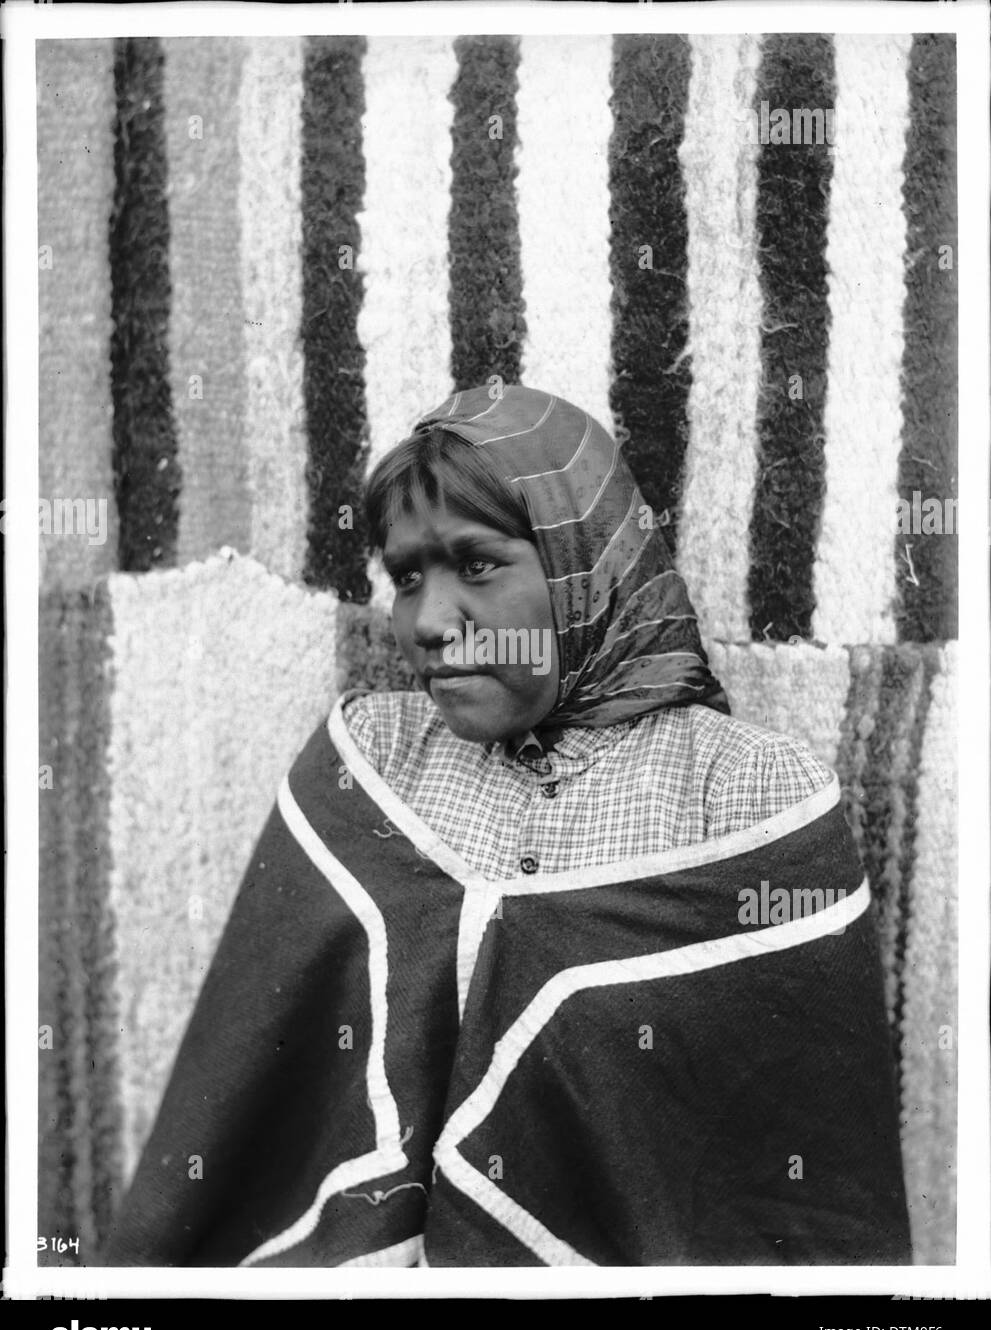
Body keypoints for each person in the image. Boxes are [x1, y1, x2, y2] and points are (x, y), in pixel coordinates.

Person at [102, 385, 911, 1268]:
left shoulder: (747, 801)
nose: (431, 623)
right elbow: (250, 1104)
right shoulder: (371, 763)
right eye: (406, 576)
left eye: (477, 565)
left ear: (583, 564)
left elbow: (802, 1196)